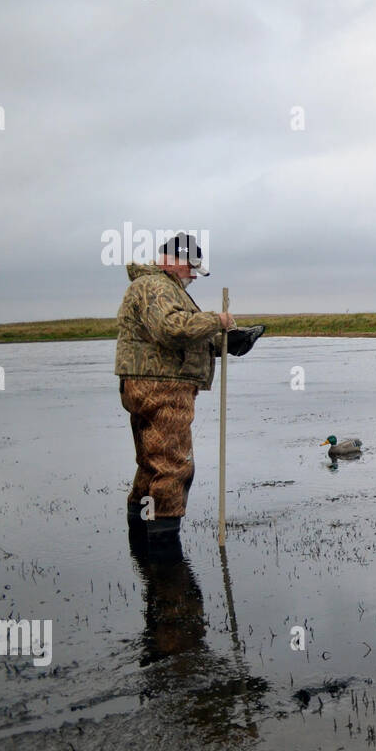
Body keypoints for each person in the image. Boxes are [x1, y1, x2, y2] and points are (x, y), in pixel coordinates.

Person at [114, 232, 259, 543]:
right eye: (191, 266)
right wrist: (215, 321)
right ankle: (165, 552)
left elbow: (177, 335)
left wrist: (225, 343)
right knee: (173, 468)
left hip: (150, 384)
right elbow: (171, 329)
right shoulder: (156, 286)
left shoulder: (159, 287)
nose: (194, 274)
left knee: (151, 467)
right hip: (162, 388)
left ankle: (142, 545)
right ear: (173, 261)